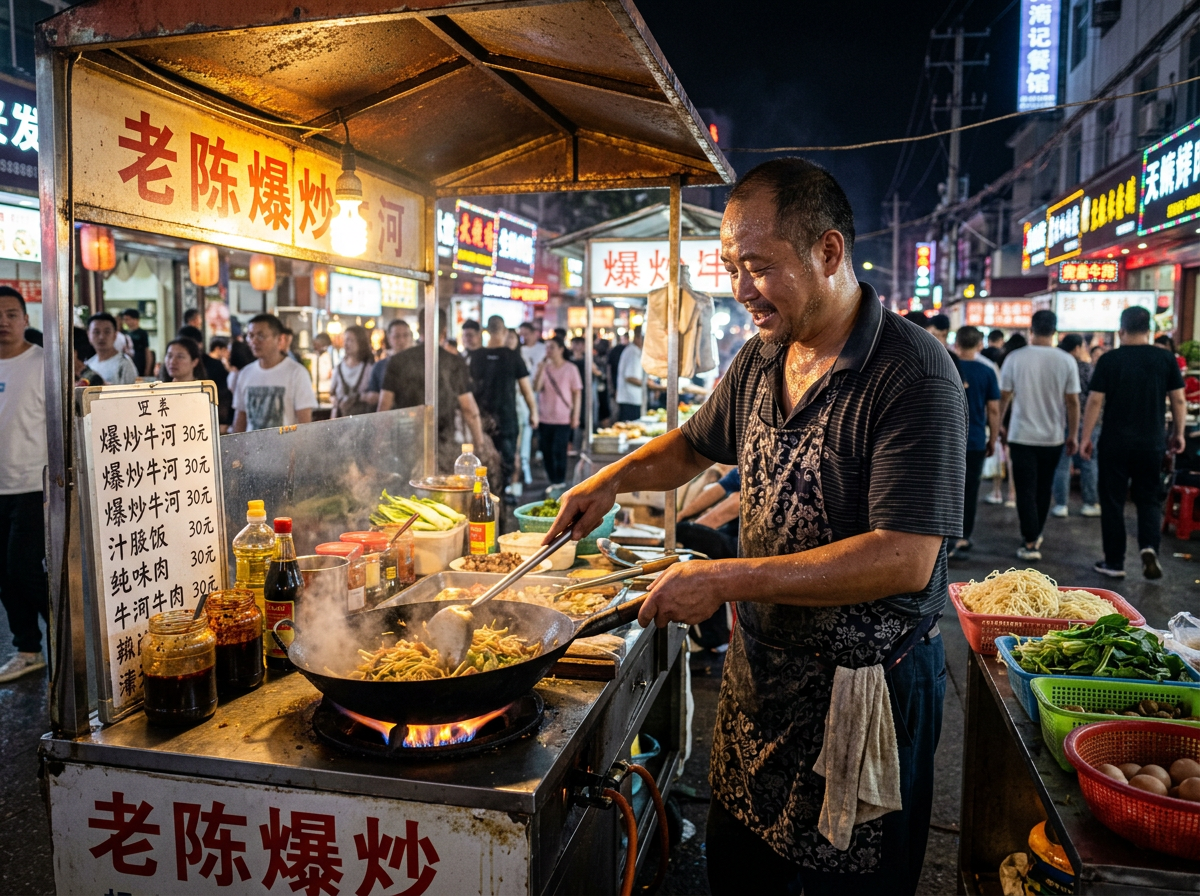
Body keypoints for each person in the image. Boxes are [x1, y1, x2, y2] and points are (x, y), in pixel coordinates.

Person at [545, 158, 963, 896]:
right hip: (760, 680)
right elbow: (692, 446)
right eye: (733, 267)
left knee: (846, 884)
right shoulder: (761, 356)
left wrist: (723, 576)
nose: (742, 291)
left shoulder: (913, 374)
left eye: (759, 267)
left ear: (829, 253)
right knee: (743, 873)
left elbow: (903, 557)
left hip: (860, 696)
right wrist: (607, 482)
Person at [1082, 306, 1185, 579]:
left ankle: (1114, 562)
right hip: (1152, 441)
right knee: (1149, 499)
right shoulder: (1165, 359)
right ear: (1150, 330)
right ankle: (1149, 547)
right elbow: (1178, 399)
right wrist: (1179, 433)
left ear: (1121, 330)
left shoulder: (1109, 359)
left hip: (1114, 442)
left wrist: (1084, 437)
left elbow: (1094, 400)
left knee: (1113, 500)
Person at [999, 310, 1080, 561]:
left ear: (1031, 330)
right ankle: (1035, 534)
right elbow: (1073, 402)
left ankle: (1030, 539)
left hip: (1021, 434)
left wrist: (999, 425)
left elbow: (1004, 396)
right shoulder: (1066, 360)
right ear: (1054, 331)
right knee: (1044, 488)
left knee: (1024, 488)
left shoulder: (1015, 357)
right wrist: (1073, 434)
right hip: (1053, 436)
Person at [0, 287, 49, 681]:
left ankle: (68, 633)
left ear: (26, 319)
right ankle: (28, 648)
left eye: (12, 314)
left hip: (34, 484)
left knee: (23, 567)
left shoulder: (43, 364)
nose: (4, 322)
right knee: (4, 572)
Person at [378, 318, 485, 472]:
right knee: (441, 489)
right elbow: (469, 409)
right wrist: (479, 446)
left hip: (405, 441)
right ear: (444, 332)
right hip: (443, 439)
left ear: (419, 330)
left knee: (408, 489)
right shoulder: (454, 362)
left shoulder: (397, 361)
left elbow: (384, 408)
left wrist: (375, 445)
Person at [469, 315, 538, 495]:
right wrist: (534, 413)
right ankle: (504, 494)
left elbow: (468, 390)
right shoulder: (512, 357)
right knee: (506, 461)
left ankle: (486, 496)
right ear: (505, 331)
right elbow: (526, 390)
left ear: (486, 331)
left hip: (481, 420)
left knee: (482, 462)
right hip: (507, 418)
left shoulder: (476, 357)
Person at [950, 326, 1000, 559]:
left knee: (947, 490)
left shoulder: (946, 363)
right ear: (980, 344)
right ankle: (962, 537)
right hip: (976, 439)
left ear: (957, 343)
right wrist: (994, 437)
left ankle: (944, 538)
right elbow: (993, 408)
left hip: (949, 440)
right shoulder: (987, 371)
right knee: (970, 492)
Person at [231, 313, 317, 432]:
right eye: (251, 336)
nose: (254, 341)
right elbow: (240, 418)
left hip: (285, 449)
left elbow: (305, 424)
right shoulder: (246, 373)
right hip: (251, 449)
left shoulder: (296, 373)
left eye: (261, 336)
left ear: (279, 339)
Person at [1050, 334, 1099, 518]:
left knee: (1062, 463)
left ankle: (1061, 504)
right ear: (1077, 348)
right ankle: (1090, 503)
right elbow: (1095, 396)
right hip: (1088, 421)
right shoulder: (1087, 369)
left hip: (1062, 419)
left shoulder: (1057, 366)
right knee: (1088, 461)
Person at [533, 336, 582, 488]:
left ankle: (560, 481)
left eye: (552, 347)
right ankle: (552, 480)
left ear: (561, 349)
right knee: (546, 451)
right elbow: (536, 388)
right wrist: (541, 368)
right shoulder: (544, 368)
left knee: (559, 451)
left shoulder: (571, 368)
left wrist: (575, 416)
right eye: (547, 347)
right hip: (545, 417)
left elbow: (576, 393)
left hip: (563, 418)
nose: (548, 351)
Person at [517, 321, 546, 487]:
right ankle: (524, 467)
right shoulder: (519, 351)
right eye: (521, 334)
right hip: (522, 398)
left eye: (526, 334)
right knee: (526, 431)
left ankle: (536, 455)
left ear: (534, 333)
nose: (524, 337)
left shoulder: (542, 349)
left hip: (540, 394)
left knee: (535, 429)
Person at [330, 325, 376, 418]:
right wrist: (337, 402)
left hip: (362, 419)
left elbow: (375, 396)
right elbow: (332, 393)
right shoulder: (339, 367)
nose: (346, 344)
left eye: (351, 340)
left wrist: (358, 398)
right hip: (340, 419)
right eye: (345, 340)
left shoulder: (369, 367)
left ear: (360, 342)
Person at [366, 319, 413, 406]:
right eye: (397, 336)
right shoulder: (379, 367)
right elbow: (372, 395)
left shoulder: (418, 364)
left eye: (405, 335)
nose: (402, 341)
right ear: (389, 338)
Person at [84, 312, 138, 385]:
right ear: (88, 335)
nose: (101, 337)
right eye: (96, 332)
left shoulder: (124, 364)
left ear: (115, 335)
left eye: (107, 332)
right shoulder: (89, 364)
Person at [615, 325, 645, 421]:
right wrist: (651, 385)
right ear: (638, 337)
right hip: (630, 400)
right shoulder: (633, 352)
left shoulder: (635, 351)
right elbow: (631, 377)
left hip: (631, 399)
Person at [120, 308, 154, 376]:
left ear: (135, 319)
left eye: (127, 319)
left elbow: (147, 351)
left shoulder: (142, 333)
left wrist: (147, 369)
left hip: (139, 363)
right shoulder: (124, 333)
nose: (125, 322)